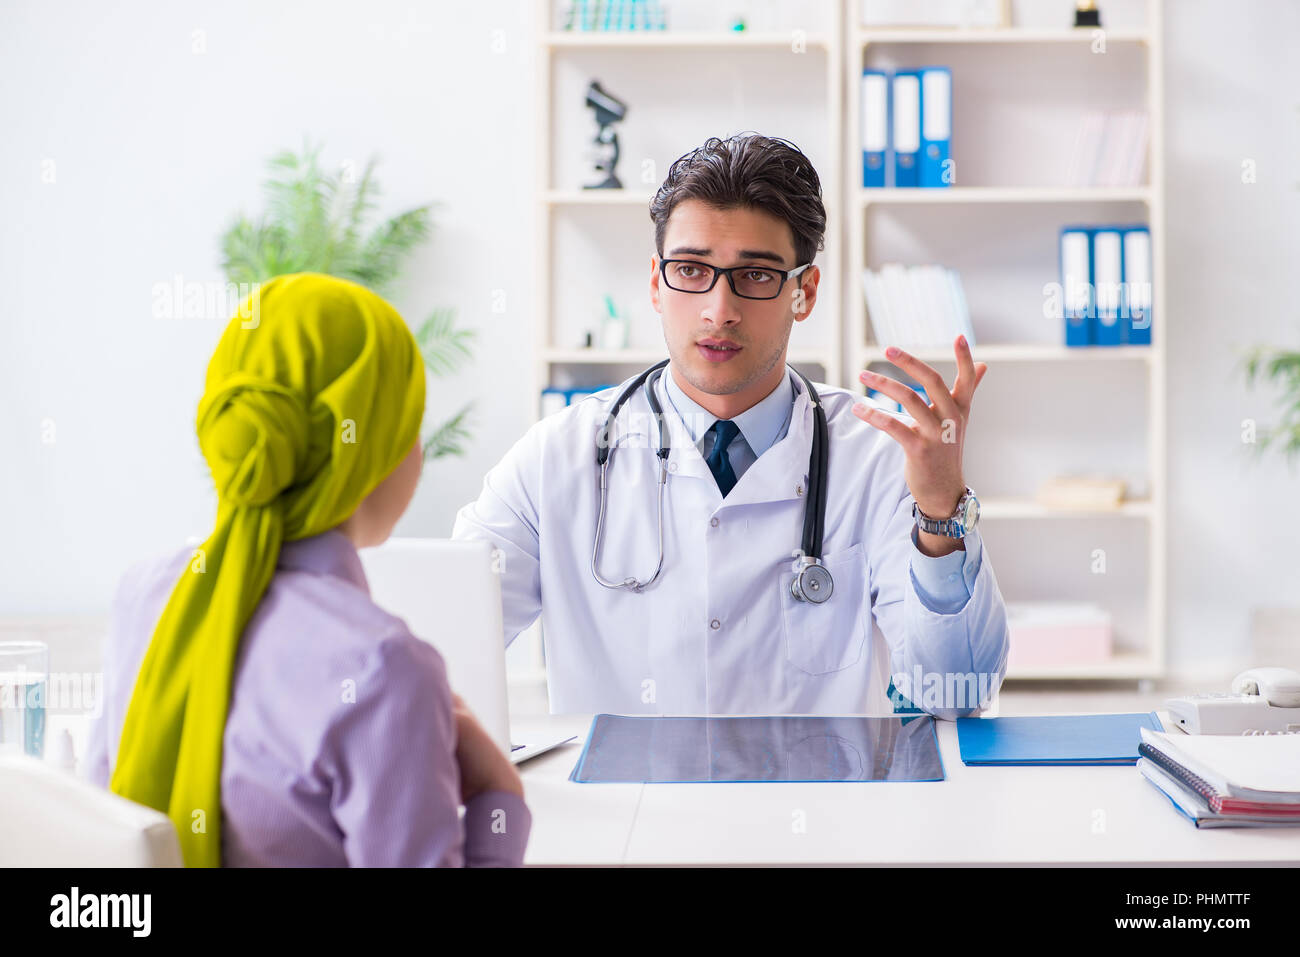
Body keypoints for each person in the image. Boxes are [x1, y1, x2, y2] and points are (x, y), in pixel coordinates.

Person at [453, 133, 1010, 719]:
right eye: (691, 270)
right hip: (626, 807)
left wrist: (943, 510)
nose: (720, 309)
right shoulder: (556, 458)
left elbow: (959, 696)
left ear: (804, 292)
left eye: (757, 275)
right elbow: (441, 648)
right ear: (654, 282)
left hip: (824, 807)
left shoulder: (878, 456)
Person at [84, 273, 530, 867]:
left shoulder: (144, 595)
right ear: (369, 448)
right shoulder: (383, 668)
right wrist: (500, 797)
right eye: (410, 420)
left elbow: (103, 830)